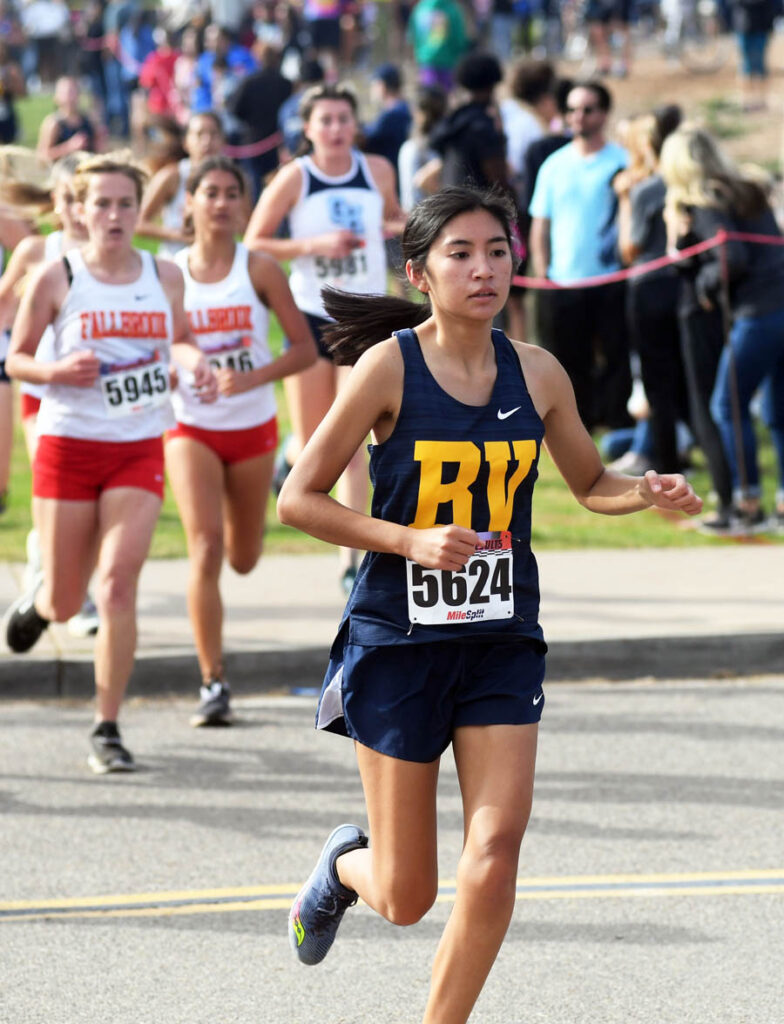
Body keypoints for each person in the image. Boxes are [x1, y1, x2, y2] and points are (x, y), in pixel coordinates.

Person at [276, 185, 701, 1022]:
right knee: (405, 895)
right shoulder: (387, 366)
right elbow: (298, 498)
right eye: (461, 254)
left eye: (498, 252)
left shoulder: (536, 370)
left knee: (497, 849)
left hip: (503, 636)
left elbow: (590, 482)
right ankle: (340, 868)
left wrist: (645, 492)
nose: (484, 269)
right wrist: (408, 541)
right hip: (397, 638)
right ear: (421, 273)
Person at [3, 151, 217, 773]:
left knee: (119, 583)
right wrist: (54, 371)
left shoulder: (165, 274)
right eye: (102, 203)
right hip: (68, 445)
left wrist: (192, 363)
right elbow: (16, 360)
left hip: (137, 445)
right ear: (77, 208)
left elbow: (180, 337)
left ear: (139, 208)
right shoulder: (56, 277)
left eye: (127, 203)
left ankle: (107, 726)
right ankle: (42, 601)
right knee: (68, 603)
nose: (115, 214)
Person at [165, 156, 316, 726]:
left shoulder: (259, 270)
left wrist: (250, 376)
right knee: (204, 548)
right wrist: (185, 363)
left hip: (251, 427)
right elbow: (166, 343)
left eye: (233, 193)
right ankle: (213, 681)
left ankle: (272, 478)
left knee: (244, 557)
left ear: (244, 205)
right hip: (190, 426)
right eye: (211, 192)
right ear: (191, 202)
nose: (222, 203)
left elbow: (304, 350)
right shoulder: (168, 272)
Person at [243, 82, 405, 593]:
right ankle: (289, 460)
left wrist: (416, 226)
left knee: (353, 442)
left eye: (343, 119)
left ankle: (350, 561)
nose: (336, 129)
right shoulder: (296, 177)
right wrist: (314, 244)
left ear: (355, 125)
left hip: (365, 316)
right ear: (308, 129)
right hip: (314, 312)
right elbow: (255, 240)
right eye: (325, 121)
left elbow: (391, 217)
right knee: (317, 442)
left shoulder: (377, 170)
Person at [0, 151, 105, 634]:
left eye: (83, 199)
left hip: (101, 399)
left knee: (90, 505)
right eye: (66, 199)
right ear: (56, 201)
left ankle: (50, 568)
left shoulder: (114, 257)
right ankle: (72, 595)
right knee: (60, 489)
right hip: (43, 392)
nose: (76, 210)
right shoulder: (37, 252)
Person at [661, 125, 784, 534]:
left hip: (758, 313)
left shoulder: (706, 198)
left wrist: (702, 285)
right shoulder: (749, 188)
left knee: (725, 407)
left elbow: (732, 257)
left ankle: (748, 506)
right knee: (776, 412)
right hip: (778, 305)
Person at [529, 79, 631, 432]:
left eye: (587, 110)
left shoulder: (623, 160)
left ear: (603, 114)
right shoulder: (554, 165)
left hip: (611, 278)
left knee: (616, 355)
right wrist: (544, 274)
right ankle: (578, 424)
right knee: (569, 359)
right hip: (564, 281)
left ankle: (617, 420)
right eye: (572, 110)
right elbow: (540, 224)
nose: (578, 117)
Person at [136, 110, 225, 259]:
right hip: (175, 263)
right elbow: (138, 223)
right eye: (199, 134)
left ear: (223, 140)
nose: (207, 141)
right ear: (186, 142)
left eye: (213, 134)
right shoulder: (173, 176)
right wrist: (178, 235)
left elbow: (246, 227)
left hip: (215, 264)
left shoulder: (232, 179)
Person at [36, 76, 105, 163]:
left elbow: (99, 154)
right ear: (56, 97)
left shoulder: (90, 122)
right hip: (61, 173)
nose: (70, 97)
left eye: (73, 92)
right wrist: (68, 147)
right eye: (65, 93)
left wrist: (100, 142)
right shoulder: (53, 124)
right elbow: (41, 158)